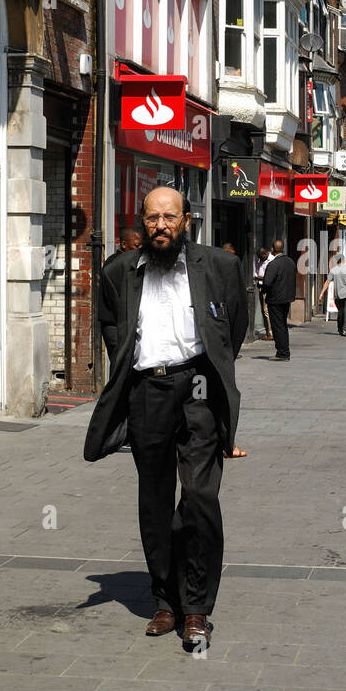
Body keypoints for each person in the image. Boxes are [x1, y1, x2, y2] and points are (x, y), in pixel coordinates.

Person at [85, 187, 248, 652]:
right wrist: (128, 363)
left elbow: (233, 328)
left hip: (198, 387)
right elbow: (110, 325)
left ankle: (196, 610)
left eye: (170, 217)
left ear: (186, 220)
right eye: (152, 218)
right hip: (146, 391)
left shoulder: (218, 266)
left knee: (199, 497)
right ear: (142, 222)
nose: (161, 226)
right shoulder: (118, 271)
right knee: (154, 502)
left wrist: (213, 373)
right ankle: (164, 601)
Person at [260, 239, 296, 361]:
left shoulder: (274, 264)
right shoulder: (290, 262)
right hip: (287, 298)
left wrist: (263, 289)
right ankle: (284, 350)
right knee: (283, 325)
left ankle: (282, 352)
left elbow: (267, 282)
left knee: (278, 326)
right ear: (283, 249)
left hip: (275, 299)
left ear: (272, 249)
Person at [319, 254, 346, 336]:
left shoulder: (333, 270)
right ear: (344, 260)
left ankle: (340, 329)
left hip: (338, 295)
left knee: (341, 312)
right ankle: (345, 330)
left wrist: (321, 293)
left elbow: (327, 282)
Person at [253, 246, 272, 341]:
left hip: (268, 288)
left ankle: (271, 333)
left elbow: (269, 277)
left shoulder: (271, 261)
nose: (260, 259)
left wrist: (260, 278)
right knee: (263, 311)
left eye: (261, 257)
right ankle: (268, 332)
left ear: (265, 254)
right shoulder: (260, 261)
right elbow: (256, 273)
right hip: (261, 287)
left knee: (266, 310)